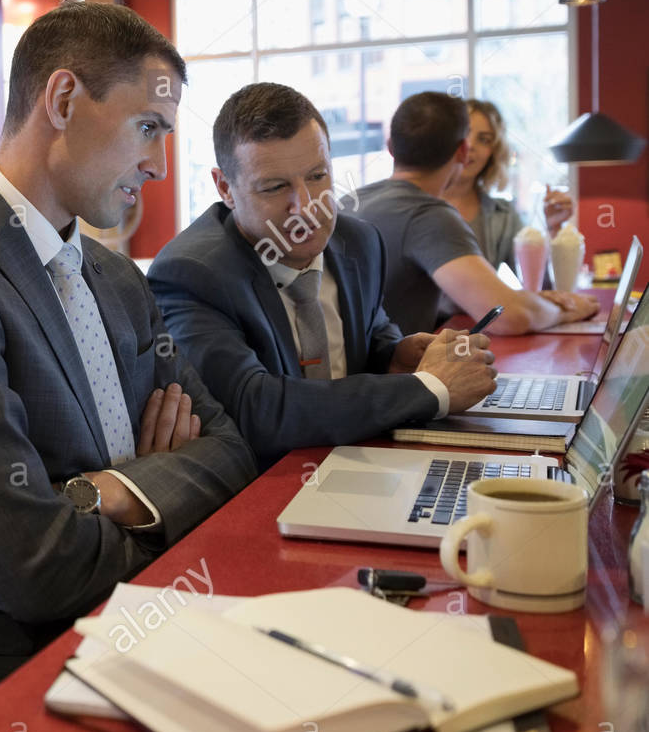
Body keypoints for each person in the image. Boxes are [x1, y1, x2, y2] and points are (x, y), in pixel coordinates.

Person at [0, 1, 257, 732]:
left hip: (131, 621)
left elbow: (235, 452)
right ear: (65, 100)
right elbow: (30, 571)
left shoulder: (115, 278)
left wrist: (100, 493)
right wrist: (163, 503)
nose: (159, 165)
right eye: (149, 127)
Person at [148, 83, 498, 471]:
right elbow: (257, 411)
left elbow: (372, 330)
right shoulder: (193, 273)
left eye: (317, 176)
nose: (307, 205)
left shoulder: (359, 242)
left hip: (363, 461)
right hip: (263, 486)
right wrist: (430, 388)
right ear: (225, 188)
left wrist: (395, 354)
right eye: (276, 186)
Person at [352, 91, 597, 336]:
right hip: (400, 369)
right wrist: (567, 312)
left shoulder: (351, 201)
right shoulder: (430, 216)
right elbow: (510, 316)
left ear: (391, 147)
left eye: (485, 139)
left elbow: (529, 289)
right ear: (462, 150)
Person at [440, 98, 574, 279]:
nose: (470, 145)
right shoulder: (415, 205)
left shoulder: (503, 215)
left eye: (484, 139)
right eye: (464, 133)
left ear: (493, 152)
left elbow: (538, 286)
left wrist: (554, 228)